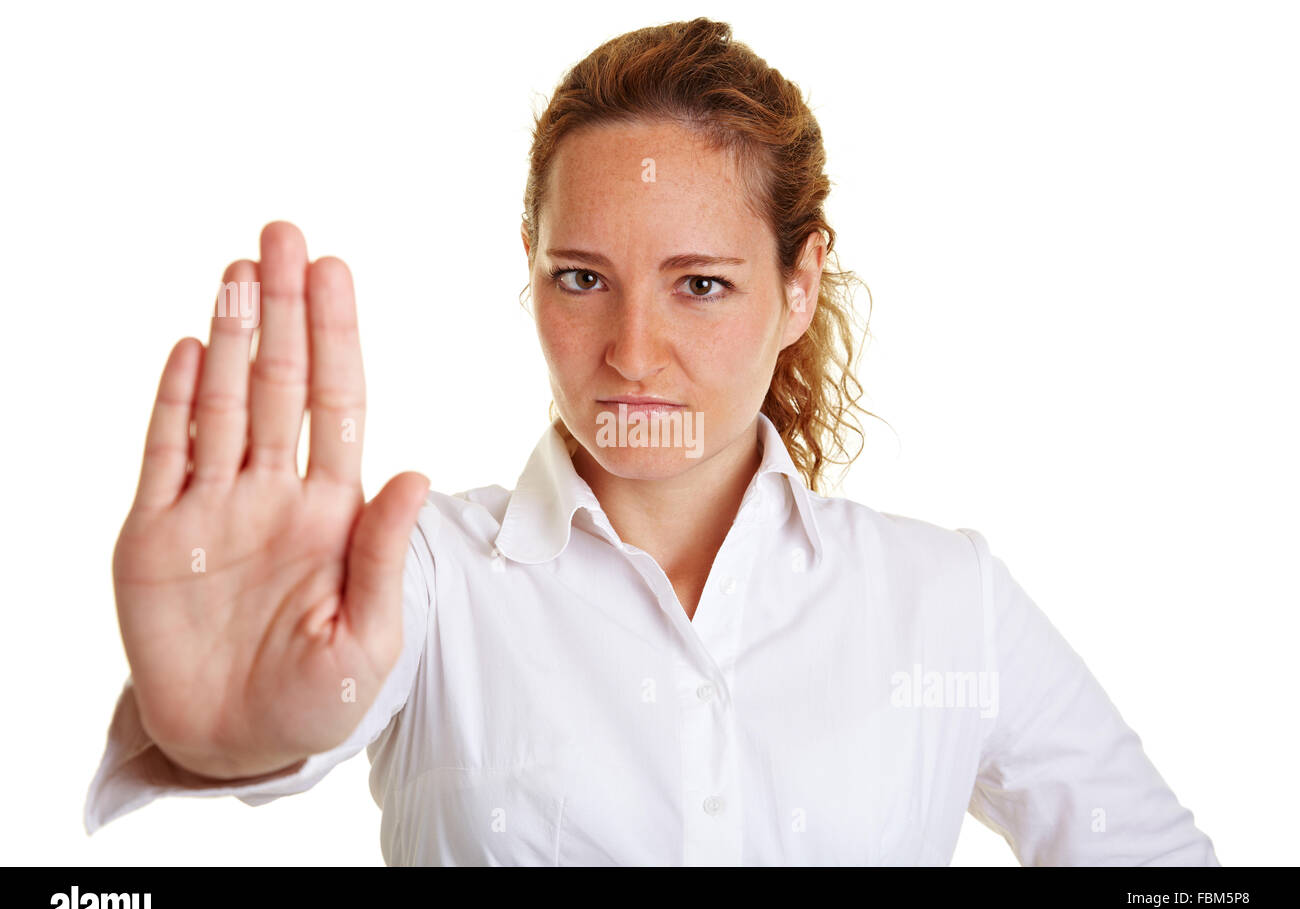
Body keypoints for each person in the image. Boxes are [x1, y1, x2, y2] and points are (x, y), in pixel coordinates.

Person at [83, 17, 1218, 866]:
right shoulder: (423, 573)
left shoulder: (942, 598)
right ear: (527, 271)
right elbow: (312, 699)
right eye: (582, 278)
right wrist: (242, 736)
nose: (631, 352)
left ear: (798, 284)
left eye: (702, 285)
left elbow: (1171, 881)